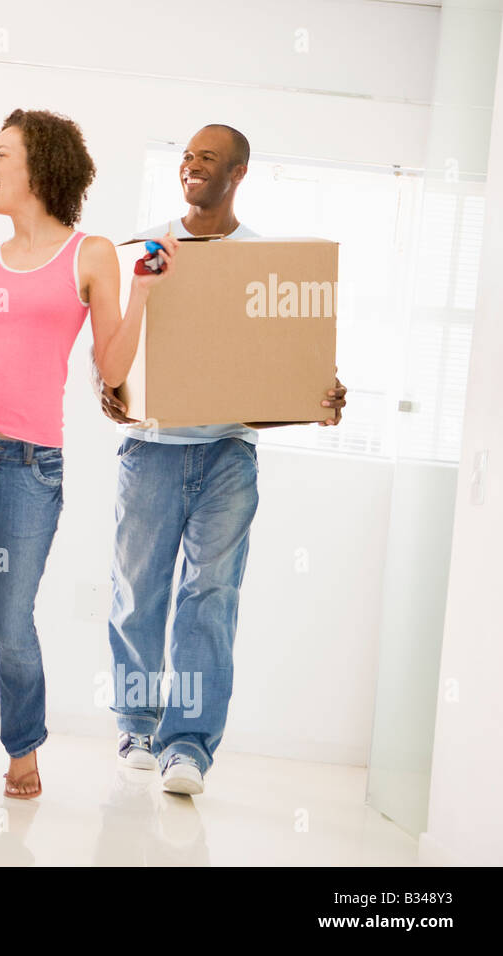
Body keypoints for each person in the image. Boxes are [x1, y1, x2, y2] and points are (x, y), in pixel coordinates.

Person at [0, 109, 178, 820]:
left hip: (31, 464)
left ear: (40, 168)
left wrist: (143, 292)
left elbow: (111, 367)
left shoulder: (88, 257)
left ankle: (23, 741)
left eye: (0, 156)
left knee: (15, 621)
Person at [97, 123, 348, 796]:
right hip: (150, 451)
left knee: (210, 599)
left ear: (237, 173)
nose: (190, 168)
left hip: (228, 454)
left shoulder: (262, 263)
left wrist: (317, 395)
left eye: (206, 159)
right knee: (137, 594)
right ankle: (137, 725)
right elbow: (117, 354)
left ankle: (189, 748)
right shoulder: (147, 249)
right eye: (185, 158)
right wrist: (109, 392)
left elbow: (282, 369)